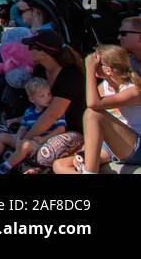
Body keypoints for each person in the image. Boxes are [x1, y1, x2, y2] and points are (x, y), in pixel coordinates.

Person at [52, 43, 141, 174]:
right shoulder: (103, 87)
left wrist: (89, 70)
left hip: (135, 145)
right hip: (112, 147)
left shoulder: (133, 90)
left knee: (92, 113)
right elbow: (92, 124)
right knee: (59, 165)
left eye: (96, 63)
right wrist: (85, 150)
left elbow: (93, 104)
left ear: (108, 70)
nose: (92, 64)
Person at [0, 76, 65, 174]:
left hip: (41, 144)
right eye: (42, 96)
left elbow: (61, 129)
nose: (48, 98)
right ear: (32, 99)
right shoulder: (29, 112)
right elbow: (23, 127)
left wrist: (43, 139)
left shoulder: (55, 110)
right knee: (2, 137)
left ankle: (4, 168)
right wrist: (18, 139)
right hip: (26, 139)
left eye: (49, 94)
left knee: (25, 145)